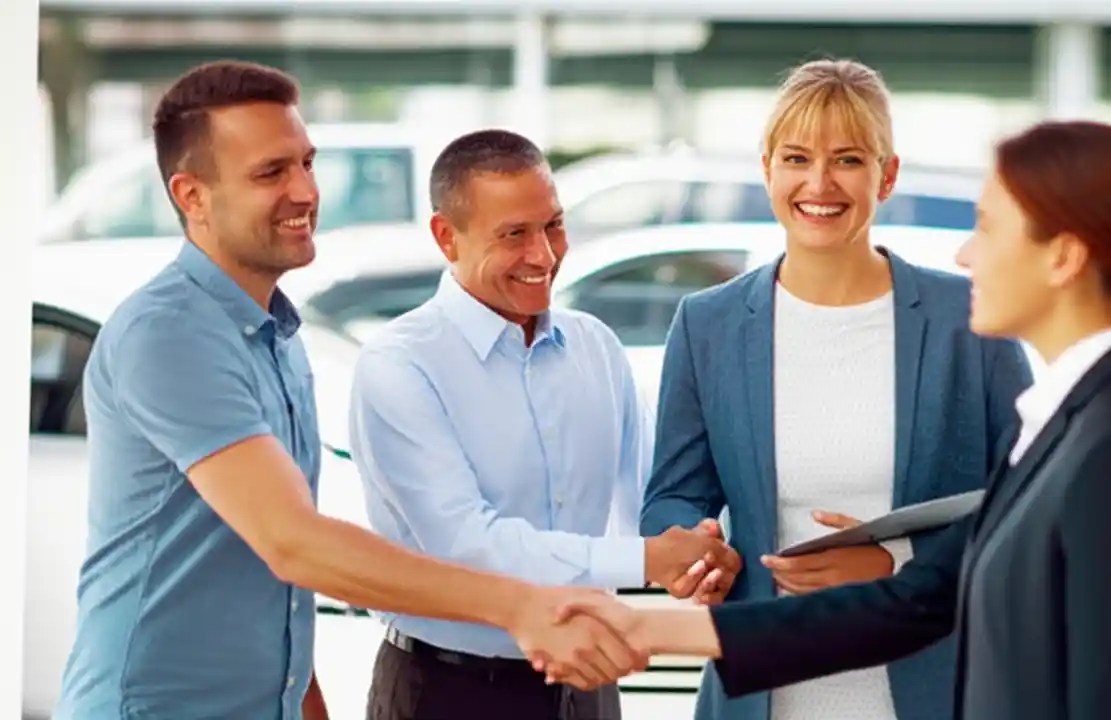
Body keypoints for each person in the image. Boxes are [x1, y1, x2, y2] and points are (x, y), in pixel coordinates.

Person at [558, 119, 1111, 720]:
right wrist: (637, 627)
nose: (965, 255)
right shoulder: (1067, 426)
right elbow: (911, 605)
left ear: (1064, 256)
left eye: (988, 227)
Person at [55, 61, 646, 720]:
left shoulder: (273, 335)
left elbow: (265, 570)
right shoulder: (170, 332)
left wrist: (304, 700)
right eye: (270, 172)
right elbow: (294, 542)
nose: (305, 191)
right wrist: (521, 605)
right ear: (192, 196)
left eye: (306, 163)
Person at [636, 58, 1030, 720]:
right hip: (763, 693)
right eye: (796, 158)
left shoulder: (971, 319)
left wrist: (899, 564)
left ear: (888, 174)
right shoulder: (708, 326)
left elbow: (1029, 510)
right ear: (767, 169)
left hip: (935, 689)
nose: (818, 183)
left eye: (847, 159)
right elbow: (672, 495)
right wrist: (692, 549)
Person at [347, 128, 742, 720]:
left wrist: (702, 557)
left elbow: (647, 500)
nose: (544, 255)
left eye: (553, 225)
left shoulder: (595, 348)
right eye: (514, 235)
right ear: (445, 237)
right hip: (447, 691)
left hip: (586, 686)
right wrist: (648, 559)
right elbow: (467, 545)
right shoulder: (399, 366)